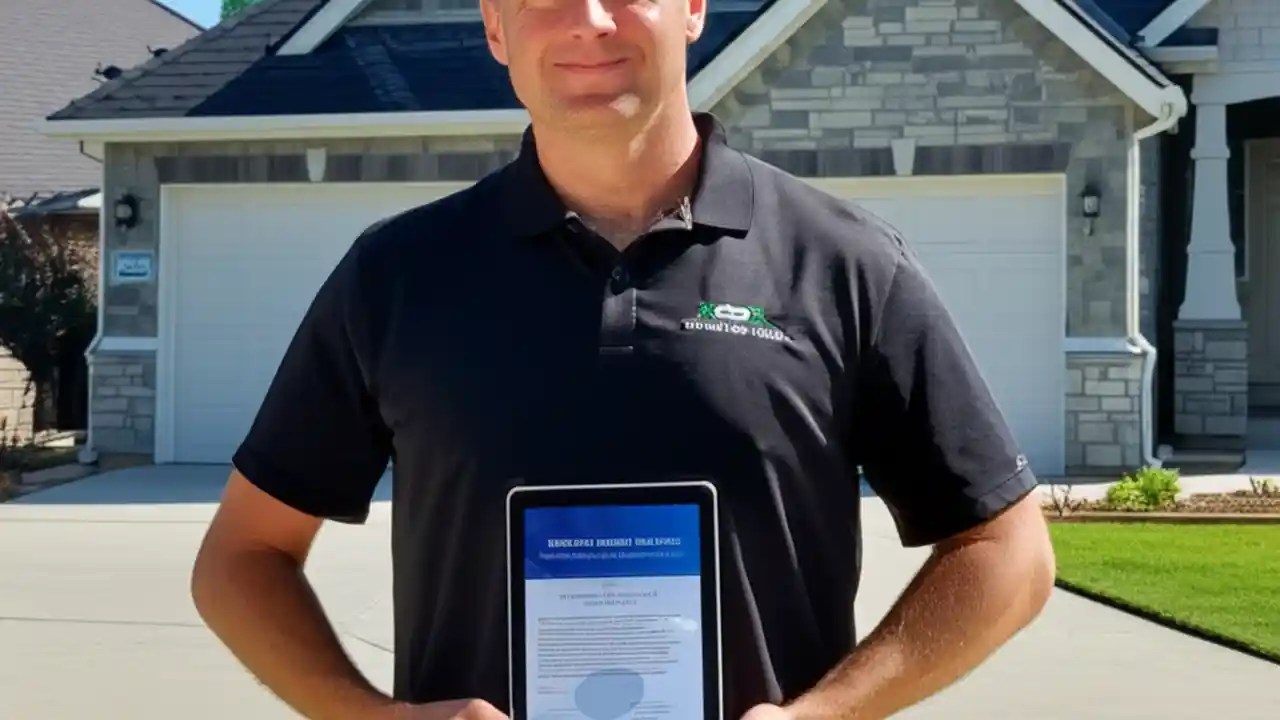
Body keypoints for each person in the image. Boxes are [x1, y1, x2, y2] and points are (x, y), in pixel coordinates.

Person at [189, 0, 1057, 717]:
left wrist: (830, 712)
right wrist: (371, 717)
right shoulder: (399, 275)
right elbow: (242, 558)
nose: (590, 21)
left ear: (691, 9)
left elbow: (1007, 550)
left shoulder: (842, 262)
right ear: (495, 28)